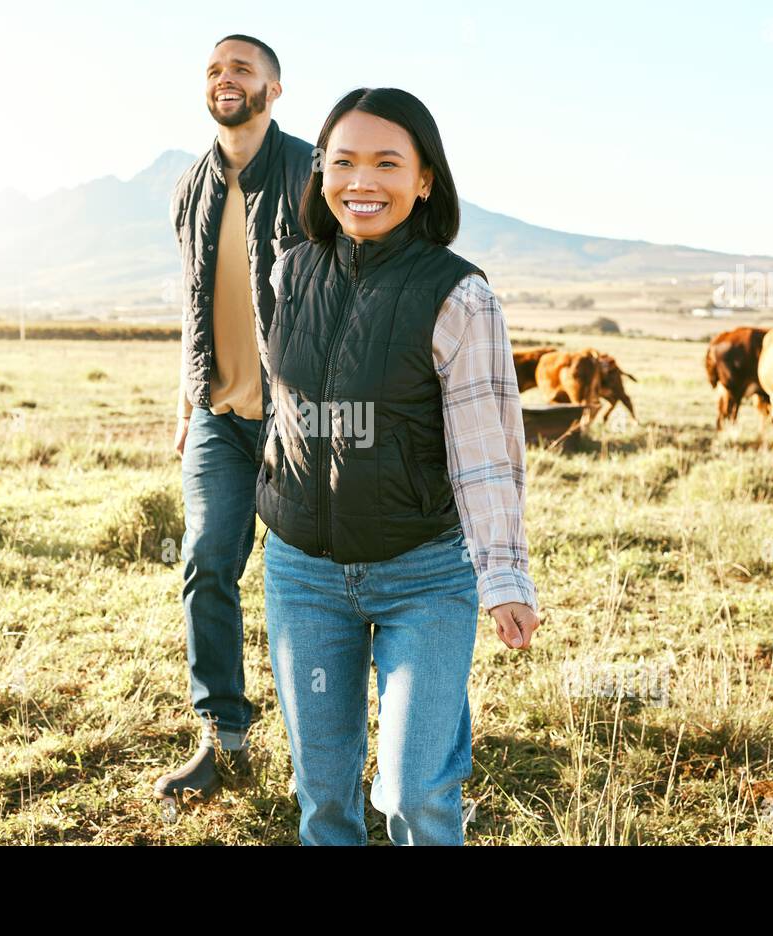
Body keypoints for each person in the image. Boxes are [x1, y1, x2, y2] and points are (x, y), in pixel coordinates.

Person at [255, 87, 542, 845]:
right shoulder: (291, 274)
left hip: (424, 577)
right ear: (320, 175)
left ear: (424, 180)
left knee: (416, 795)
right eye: (343, 161)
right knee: (322, 796)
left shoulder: (459, 295)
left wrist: (504, 576)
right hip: (303, 575)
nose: (363, 181)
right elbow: (282, 405)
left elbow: (486, 451)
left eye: (388, 162)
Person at [155, 34, 313, 804]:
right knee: (207, 561)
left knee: (309, 578)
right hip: (218, 416)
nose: (226, 80)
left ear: (273, 90)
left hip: (303, 419)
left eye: (242, 69)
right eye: (215, 69)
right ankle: (223, 735)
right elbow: (192, 306)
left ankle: (330, 740)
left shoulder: (314, 172)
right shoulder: (190, 187)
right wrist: (186, 402)